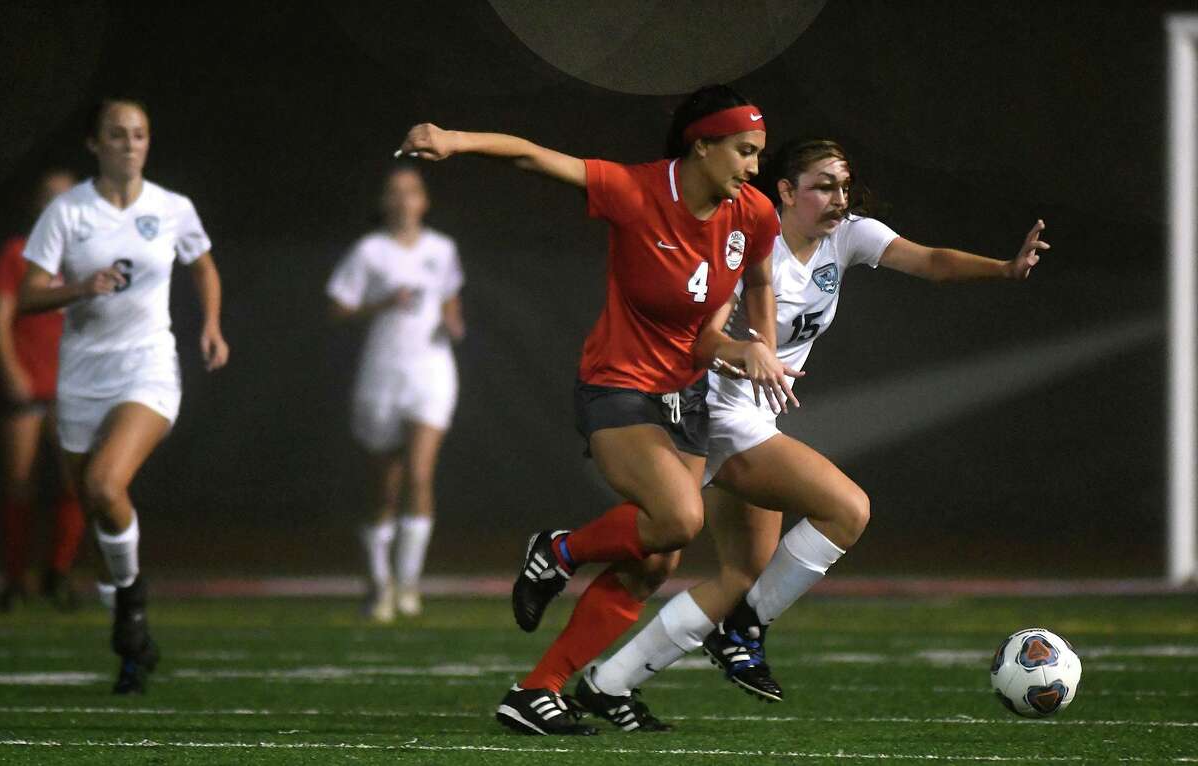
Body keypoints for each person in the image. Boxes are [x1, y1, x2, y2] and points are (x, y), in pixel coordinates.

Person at [576, 137, 1050, 729]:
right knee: (846, 510)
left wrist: (1004, 269)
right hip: (718, 415)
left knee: (741, 576)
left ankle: (608, 682)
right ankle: (735, 629)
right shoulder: (750, 240)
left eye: (844, 186)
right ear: (785, 191)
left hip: (756, 416)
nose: (838, 198)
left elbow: (929, 261)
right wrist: (743, 355)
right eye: (824, 185)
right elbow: (699, 340)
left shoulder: (848, 235)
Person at [397, 84, 796, 735]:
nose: (756, 168)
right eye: (745, 151)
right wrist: (453, 139)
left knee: (656, 560)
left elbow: (756, 282)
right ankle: (559, 550)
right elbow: (533, 157)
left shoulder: (751, 213)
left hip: (686, 397)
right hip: (618, 386)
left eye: (759, 153)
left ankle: (536, 690)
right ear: (702, 146)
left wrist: (763, 351)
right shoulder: (639, 191)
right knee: (677, 518)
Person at [19, 98, 230, 694]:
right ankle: (129, 621)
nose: (130, 143)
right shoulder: (68, 212)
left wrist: (211, 325)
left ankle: (130, 610)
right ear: (95, 144)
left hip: (148, 370)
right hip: (83, 375)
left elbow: (204, 265)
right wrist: (78, 288)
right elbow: (28, 296)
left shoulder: (171, 208)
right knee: (95, 508)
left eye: (139, 133)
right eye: (118, 134)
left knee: (104, 486)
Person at [327, 162, 465, 622]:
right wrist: (383, 303)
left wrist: (453, 322)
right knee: (383, 485)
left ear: (424, 201)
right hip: (382, 373)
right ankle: (379, 583)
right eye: (396, 192)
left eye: (413, 191)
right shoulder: (370, 251)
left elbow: (451, 302)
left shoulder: (442, 249)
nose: (405, 200)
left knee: (420, 474)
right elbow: (338, 306)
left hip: (430, 371)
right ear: (385, 202)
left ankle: (408, 583)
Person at [0, 169, 85, 612]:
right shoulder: (19, 253)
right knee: (18, 482)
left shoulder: (85, 254)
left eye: (65, 197)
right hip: (30, 382)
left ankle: (59, 573)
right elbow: (2, 315)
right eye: (49, 197)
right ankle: (14, 579)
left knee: (78, 481)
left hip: (73, 384)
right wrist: (11, 369)